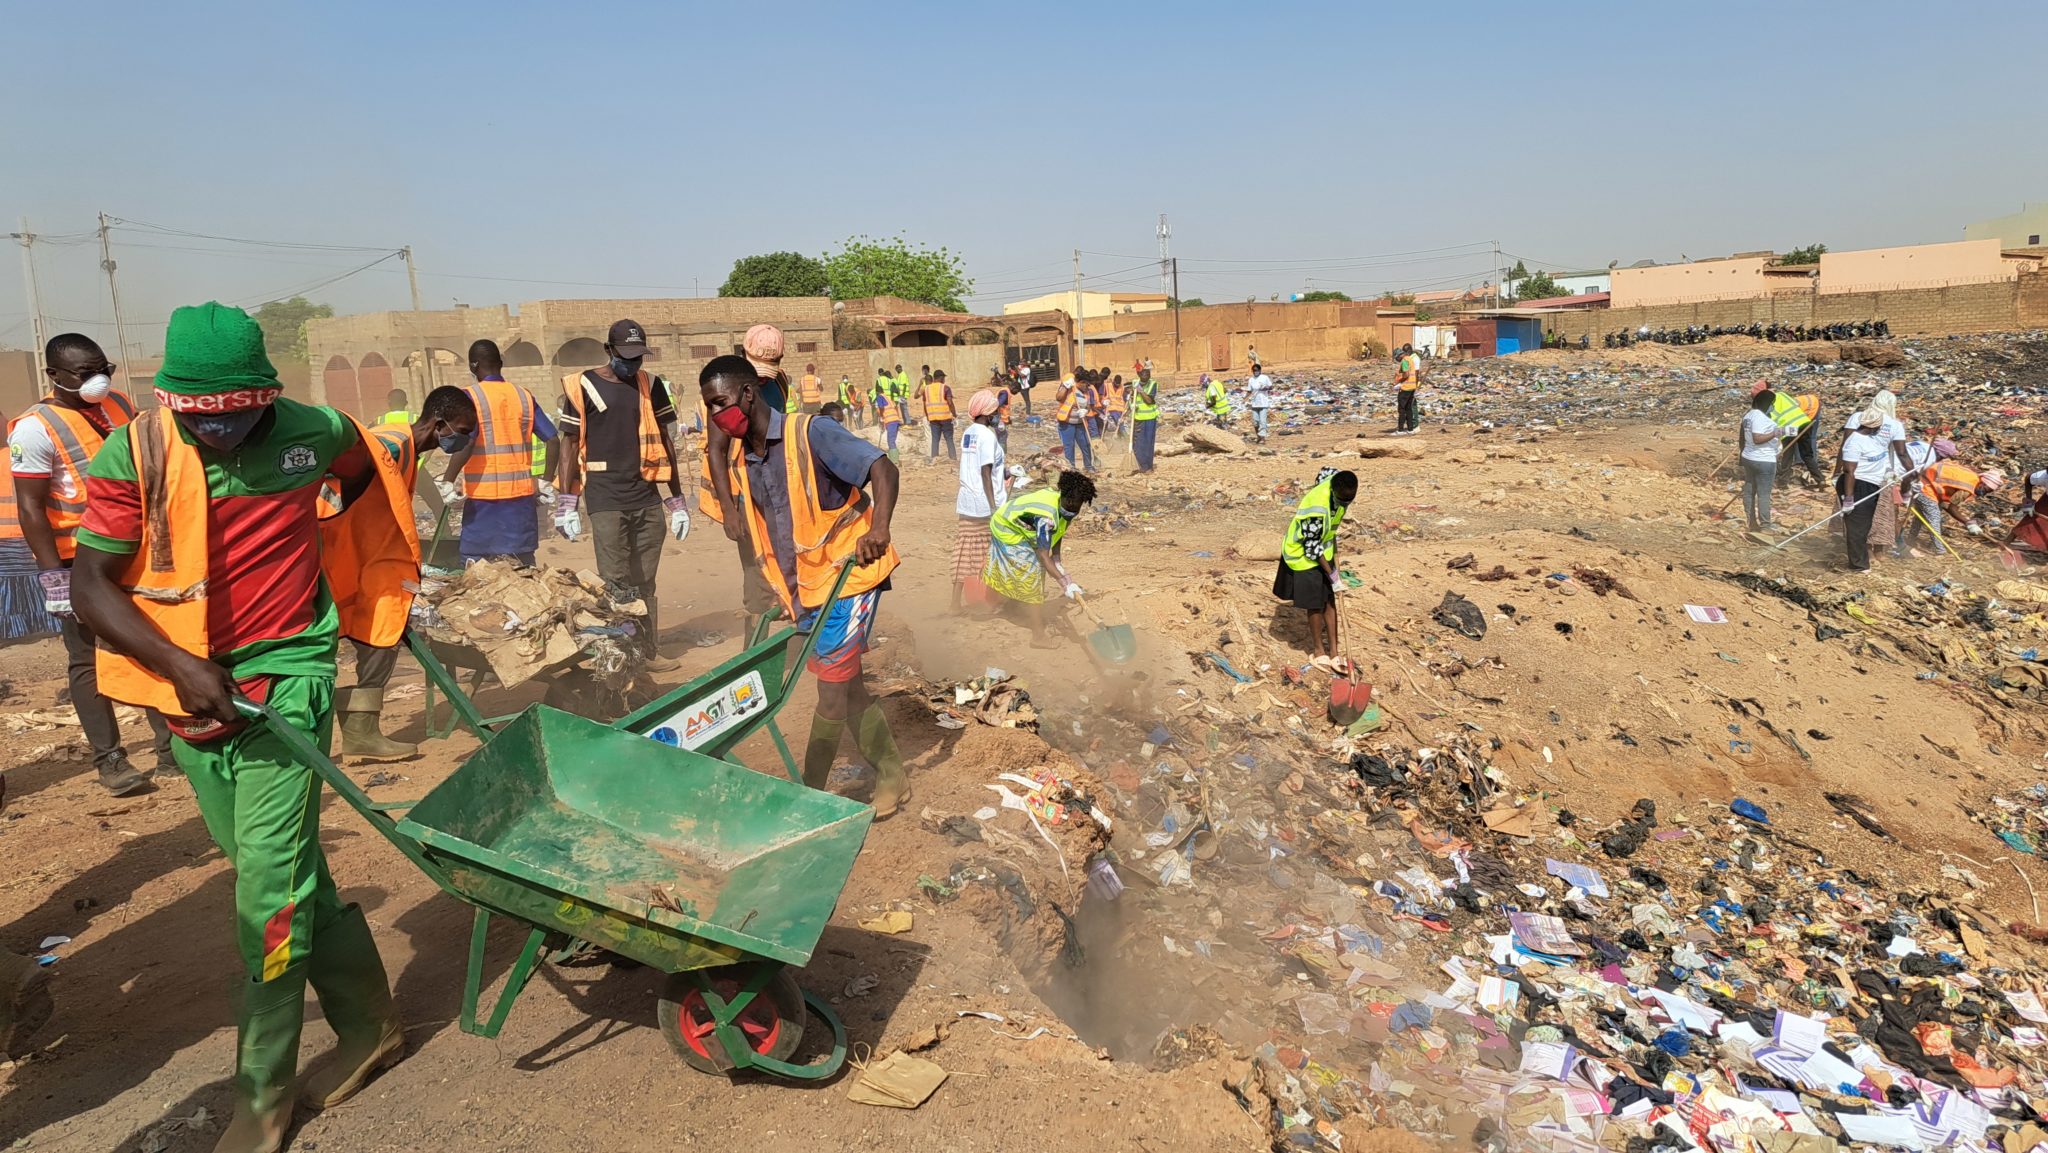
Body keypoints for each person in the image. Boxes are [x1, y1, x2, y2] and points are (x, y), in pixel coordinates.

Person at [72, 302, 419, 1152]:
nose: (224, 427)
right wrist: (184, 668)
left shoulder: (313, 429)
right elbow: (91, 585)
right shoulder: (137, 451)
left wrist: (339, 555)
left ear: (268, 391)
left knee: (266, 893)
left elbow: (366, 467)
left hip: (291, 676)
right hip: (189, 685)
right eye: (204, 413)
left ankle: (261, 1094)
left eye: (241, 408)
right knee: (291, 871)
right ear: (171, 400)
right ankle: (374, 1028)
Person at [697, 356, 910, 815]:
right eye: (709, 408)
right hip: (806, 588)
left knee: (831, 687)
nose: (717, 416)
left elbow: (883, 469)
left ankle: (809, 792)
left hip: (851, 572)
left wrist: (880, 529)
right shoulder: (738, 455)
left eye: (722, 403)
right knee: (846, 683)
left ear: (749, 393)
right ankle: (893, 773)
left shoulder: (809, 432)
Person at [9, 333, 170, 795]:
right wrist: (53, 576)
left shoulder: (117, 404)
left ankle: (168, 748)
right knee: (86, 658)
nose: (98, 379)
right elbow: (31, 507)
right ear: (54, 376)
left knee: (151, 641)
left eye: (104, 369)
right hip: (78, 560)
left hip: (133, 550)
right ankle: (111, 760)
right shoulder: (33, 429)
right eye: (85, 373)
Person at [343, 386, 479, 760]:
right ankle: (340, 724)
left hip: (372, 565)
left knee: (380, 642)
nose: (463, 440)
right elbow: (331, 490)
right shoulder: (388, 445)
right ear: (439, 424)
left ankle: (360, 727)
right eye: (462, 431)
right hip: (347, 562)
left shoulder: (407, 451)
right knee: (363, 643)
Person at [556, 319, 689, 669]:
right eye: (626, 356)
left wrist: (677, 502)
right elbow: (568, 445)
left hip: (646, 497)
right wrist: (566, 501)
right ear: (608, 350)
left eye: (638, 357)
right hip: (606, 500)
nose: (633, 365)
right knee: (616, 584)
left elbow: (666, 442)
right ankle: (625, 656)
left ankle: (647, 652)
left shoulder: (651, 385)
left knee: (645, 581)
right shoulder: (582, 385)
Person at [440, 340, 557, 567]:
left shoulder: (469, 398)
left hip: (483, 503)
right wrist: (546, 482)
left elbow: (466, 443)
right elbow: (552, 439)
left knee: (478, 573)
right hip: (520, 502)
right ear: (500, 364)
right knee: (523, 569)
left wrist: (447, 481)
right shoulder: (523, 396)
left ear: (473, 367)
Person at [984, 470, 1097, 647]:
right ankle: (1038, 636)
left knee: (1039, 570)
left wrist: (1058, 561)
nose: (1075, 510)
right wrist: (1064, 582)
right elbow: (1044, 556)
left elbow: (1058, 531)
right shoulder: (1047, 516)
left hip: (1022, 526)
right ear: (1065, 498)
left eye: (1078, 506)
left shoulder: (1066, 506)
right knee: (1033, 576)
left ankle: (1013, 605)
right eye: (1073, 504)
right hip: (1007, 529)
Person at [1275, 470, 1357, 661]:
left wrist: (1332, 575)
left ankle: (1335, 652)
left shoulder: (1336, 479)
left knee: (1329, 600)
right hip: (1302, 554)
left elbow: (1326, 471)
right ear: (1334, 492)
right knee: (1315, 603)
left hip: (1324, 550)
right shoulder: (1316, 508)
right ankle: (1319, 650)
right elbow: (1311, 546)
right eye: (1342, 500)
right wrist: (1333, 576)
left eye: (1349, 501)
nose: (1345, 504)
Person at [0, 405, 62, 644]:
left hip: (20, 536)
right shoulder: (19, 454)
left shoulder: (14, 454)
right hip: (26, 536)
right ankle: (42, 625)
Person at [953, 390, 1006, 612]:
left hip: (966, 501)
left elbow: (980, 467)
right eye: (995, 411)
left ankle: (955, 603)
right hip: (983, 504)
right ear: (987, 413)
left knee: (964, 552)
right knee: (993, 552)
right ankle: (990, 599)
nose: (998, 414)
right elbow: (985, 472)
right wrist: (993, 507)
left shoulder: (969, 432)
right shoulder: (987, 435)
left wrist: (1007, 471)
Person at [1838, 408, 1893, 572]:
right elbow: (1849, 471)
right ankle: (1859, 565)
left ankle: (1860, 562)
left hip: (1872, 486)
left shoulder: (1873, 439)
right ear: (1874, 426)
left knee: (1864, 525)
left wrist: (1889, 472)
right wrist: (1849, 499)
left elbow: (1882, 458)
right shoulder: (1854, 441)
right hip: (1856, 485)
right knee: (1857, 526)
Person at [1760, 383, 1824, 489]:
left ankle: (1783, 482)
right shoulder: (1782, 395)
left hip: (1789, 428)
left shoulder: (1766, 406)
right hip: (1804, 423)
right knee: (1807, 454)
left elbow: (1770, 423)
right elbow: (1796, 405)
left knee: (1788, 453)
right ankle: (1820, 479)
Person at [1919, 460, 2004, 537]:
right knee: (1935, 521)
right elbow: (1952, 509)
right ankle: (1939, 550)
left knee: (1920, 517)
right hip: (1927, 485)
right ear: (1982, 482)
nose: (1983, 493)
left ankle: (1911, 539)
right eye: (1985, 490)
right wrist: (1968, 523)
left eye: (1987, 492)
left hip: (1927, 476)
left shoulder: (1973, 477)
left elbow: (1946, 505)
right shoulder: (1967, 488)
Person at [1738, 389, 1783, 532]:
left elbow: (1743, 438)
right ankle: (1765, 525)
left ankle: (1751, 522)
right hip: (1763, 460)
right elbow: (1757, 439)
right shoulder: (1759, 417)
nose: (1773, 407)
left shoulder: (1749, 415)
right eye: (1772, 403)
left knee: (1750, 490)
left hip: (1749, 458)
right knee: (1763, 494)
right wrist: (1776, 432)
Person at [1056, 371, 1096, 472]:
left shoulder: (1086, 392)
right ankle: (1071, 467)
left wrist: (1085, 411)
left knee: (1086, 444)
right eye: (1087, 384)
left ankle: (1088, 466)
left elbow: (1088, 406)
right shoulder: (1070, 388)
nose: (1088, 387)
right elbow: (1059, 398)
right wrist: (1066, 386)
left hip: (1080, 424)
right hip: (1067, 423)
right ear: (1081, 382)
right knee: (1069, 446)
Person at [1130, 365, 1161, 472]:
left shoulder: (1153, 384)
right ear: (1139, 374)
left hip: (1150, 418)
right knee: (1138, 443)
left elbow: (1149, 400)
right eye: (1143, 374)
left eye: (1148, 374)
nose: (1146, 376)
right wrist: (1130, 402)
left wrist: (1141, 391)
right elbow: (1130, 396)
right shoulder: (1134, 383)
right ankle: (1140, 465)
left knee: (1148, 443)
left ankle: (1148, 466)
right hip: (1138, 418)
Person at [2011, 468, 2048, 555]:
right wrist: (2028, 501)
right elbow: (2028, 478)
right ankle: (2006, 542)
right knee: (2029, 522)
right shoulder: (2045, 476)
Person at [922, 369, 957, 461]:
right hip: (945, 418)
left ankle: (934, 458)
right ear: (941, 378)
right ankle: (953, 458)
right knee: (949, 439)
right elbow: (950, 402)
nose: (944, 379)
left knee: (935, 440)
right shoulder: (945, 388)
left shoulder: (926, 389)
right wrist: (954, 414)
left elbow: (925, 404)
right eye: (944, 378)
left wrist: (928, 416)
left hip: (933, 418)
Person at [1394, 345, 1422, 434]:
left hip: (1405, 388)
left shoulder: (1405, 361)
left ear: (1399, 356)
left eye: (1397, 358)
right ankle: (1410, 429)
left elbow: (1406, 374)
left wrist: (1399, 382)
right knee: (1408, 409)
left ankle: (1400, 430)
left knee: (1402, 409)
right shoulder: (1410, 359)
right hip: (1412, 387)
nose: (1397, 360)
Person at [1246, 362, 1274, 441]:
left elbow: (1271, 386)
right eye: (1254, 371)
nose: (1256, 372)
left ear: (1260, 370)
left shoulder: (1265, 377)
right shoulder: (1251, 380)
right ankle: (1258, 435)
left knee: (1262, 421)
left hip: (1263, 403)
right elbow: (1249, 390)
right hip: (1255, 403)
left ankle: (1262, 438)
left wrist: (1265, 388)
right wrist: (1245, 398)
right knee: (1255, 422)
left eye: (1257, 370)